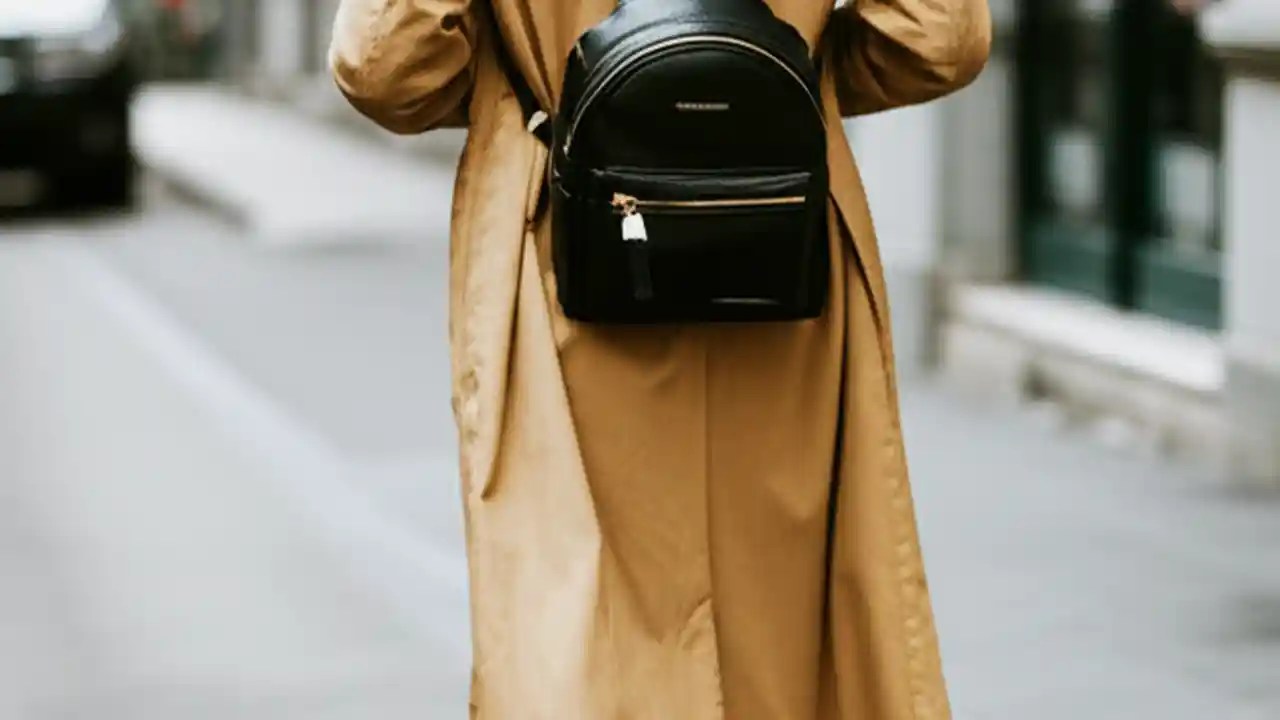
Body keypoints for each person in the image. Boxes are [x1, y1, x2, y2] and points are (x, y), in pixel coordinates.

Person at [329, 1, 990, 717]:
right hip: (770, 258)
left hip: (569, 263)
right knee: (787, 652)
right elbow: (936, 40)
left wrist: (543, 86)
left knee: (575, 647)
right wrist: (752, 86)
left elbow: (387, 67)